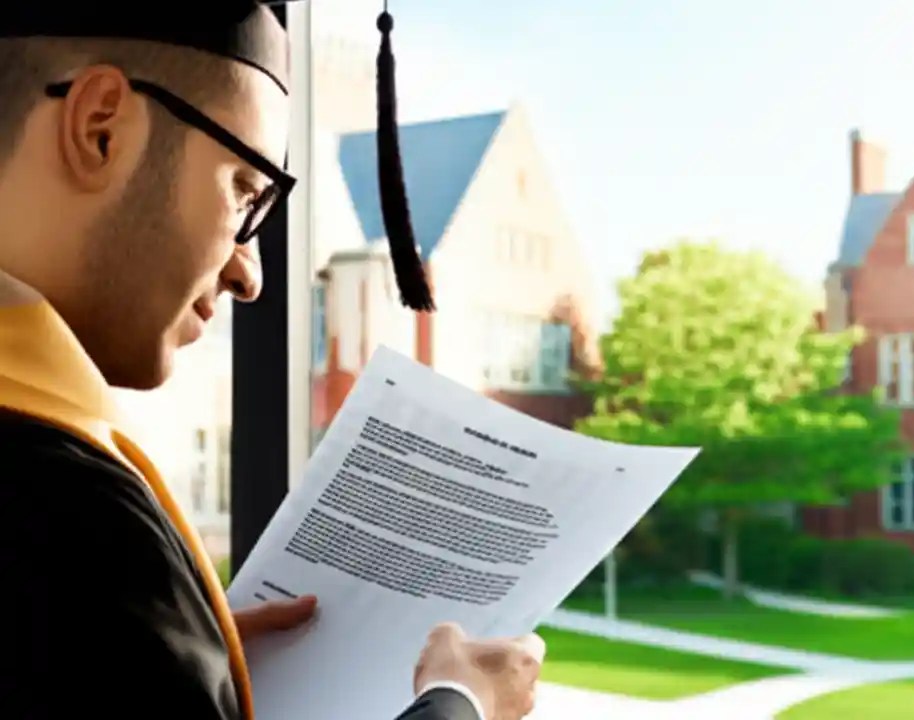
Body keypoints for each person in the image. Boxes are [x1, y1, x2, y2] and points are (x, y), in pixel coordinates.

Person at [0, 2, 542, 719]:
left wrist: (188, 658)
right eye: (244, 192)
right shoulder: (71, 524)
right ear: (101, 128)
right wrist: (458, 703)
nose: (249, 275)